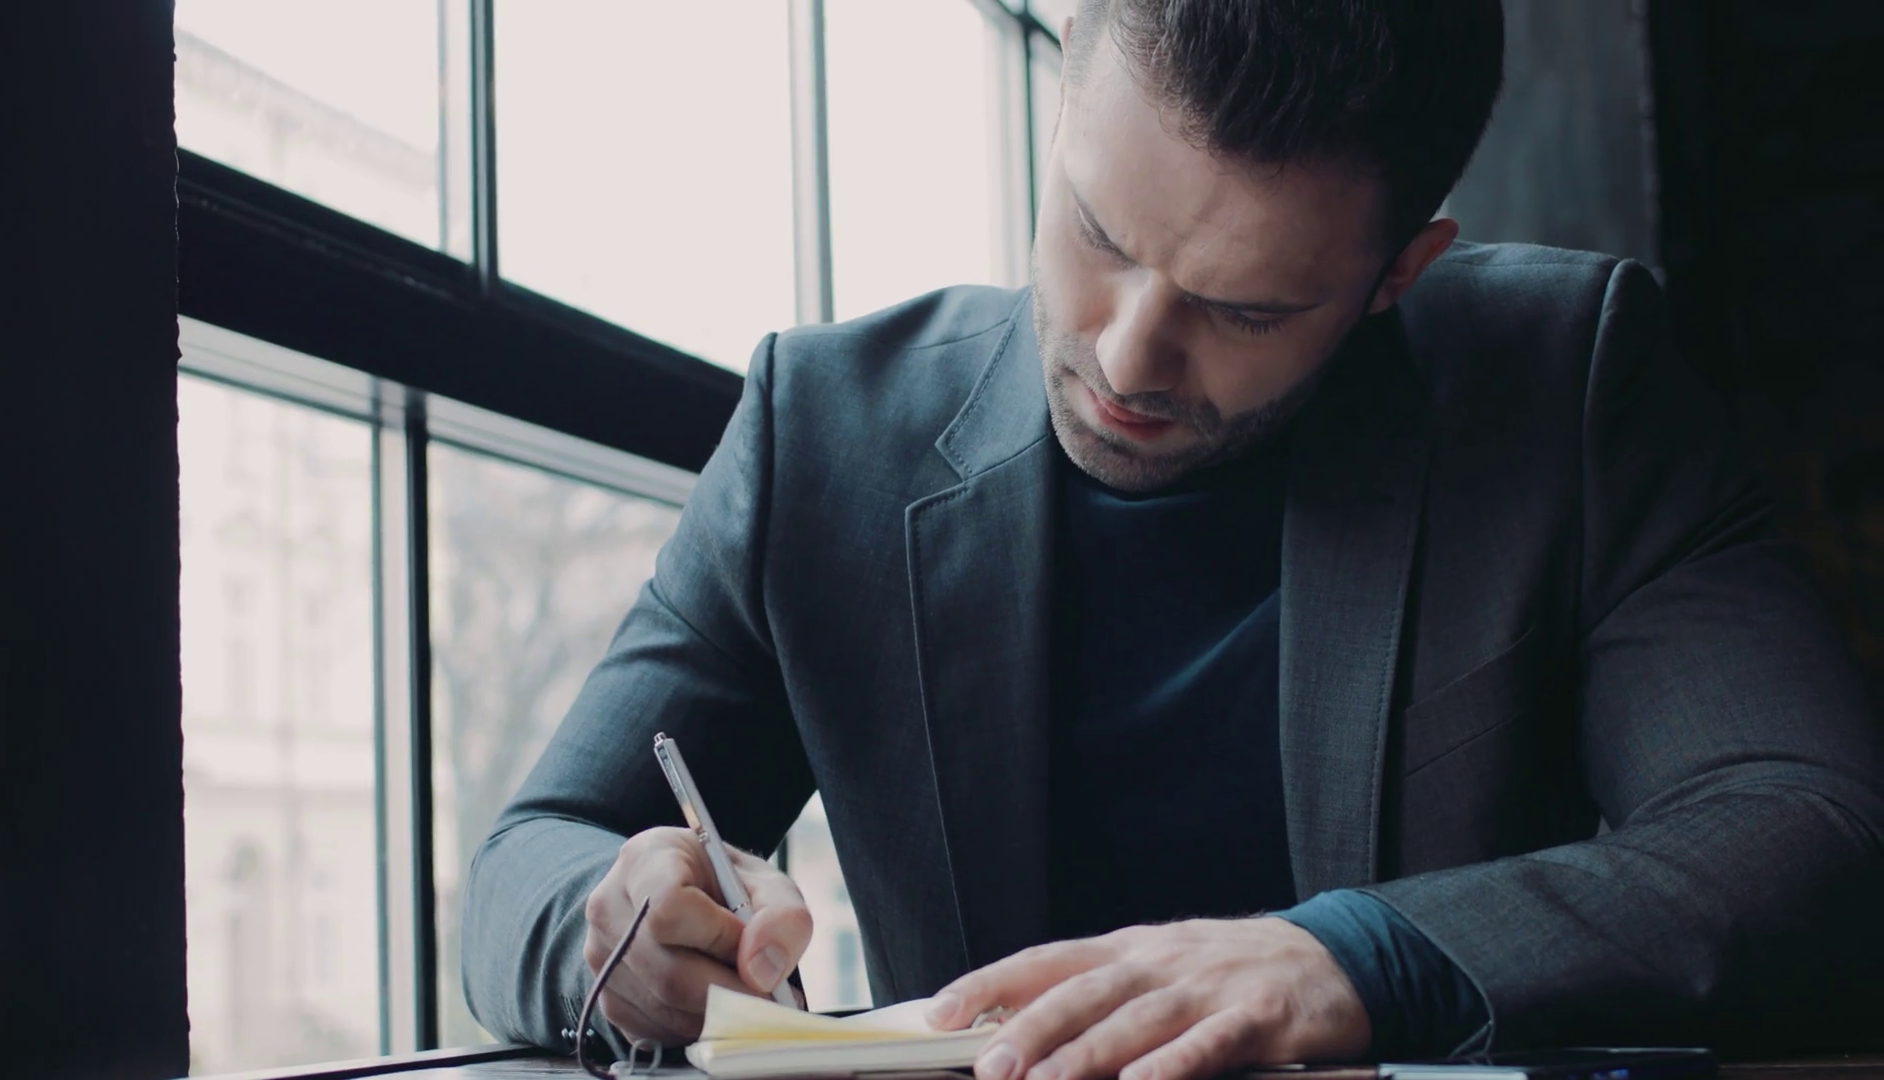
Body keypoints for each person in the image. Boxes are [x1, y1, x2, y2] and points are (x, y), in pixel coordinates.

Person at [462, 1, 1884, 1076]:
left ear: (1402, 272)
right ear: (1065, 90)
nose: (1131, 357)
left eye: (1249, 309)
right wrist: (619, 925)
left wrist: (1362, 959)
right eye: (1096, 233)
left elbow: (1817, 835)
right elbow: (530, 858)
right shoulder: (823, 428)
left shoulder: (1568, 384)